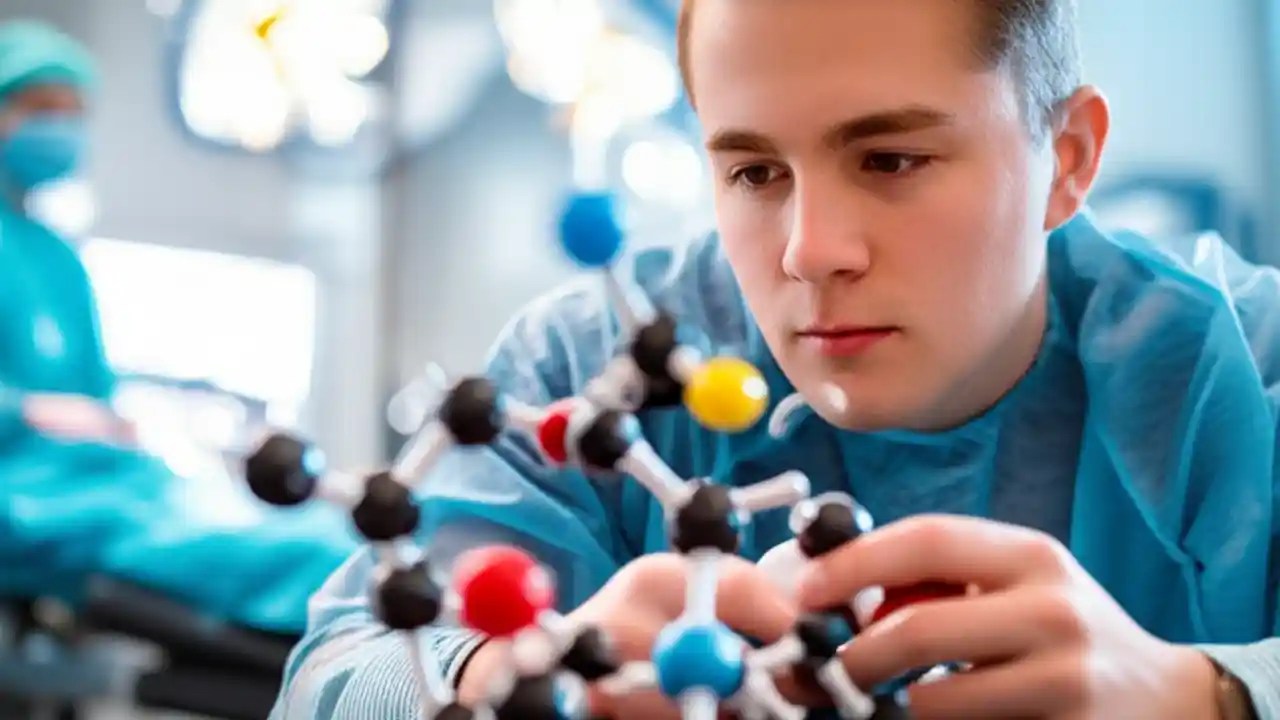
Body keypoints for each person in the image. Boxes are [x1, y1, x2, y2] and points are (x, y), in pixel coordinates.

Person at [271, 1, 1278, 718]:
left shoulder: (1245, 370)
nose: (807, 249)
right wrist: (503, 675)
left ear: (1065, 159)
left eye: (889, 160)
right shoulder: (594, 372)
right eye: (753, 171)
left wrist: (1210, 696)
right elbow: (334, 675)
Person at [0, 19, 354, 635]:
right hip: (34, 502)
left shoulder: (57, 260)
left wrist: (117, 424)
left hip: (114, 478)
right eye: (40, 109)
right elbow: (55, 411)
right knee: (315, 563)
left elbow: (98, 397)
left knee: (320, 527)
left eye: (72, 112)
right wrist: (27, 410)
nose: (59, 128)